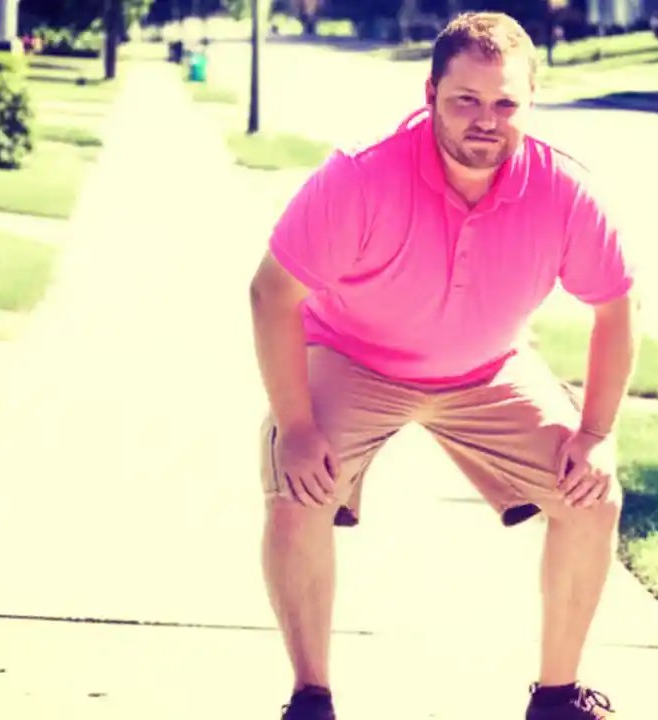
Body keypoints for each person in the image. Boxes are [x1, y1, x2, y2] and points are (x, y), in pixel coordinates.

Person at [248, 11, 638, 720]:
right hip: (352, 356)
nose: (485, 120)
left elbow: (614, 308)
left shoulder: (566, 192)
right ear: (429, 93)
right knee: (296, 486)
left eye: (505, 104)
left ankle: (557, 697)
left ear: (528, 103)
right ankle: (311, 698)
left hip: (487, 370)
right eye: (465, 100)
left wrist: (597, 433)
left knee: (593, 496)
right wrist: (299, 428)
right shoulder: (360, 178)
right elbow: (272, 292)